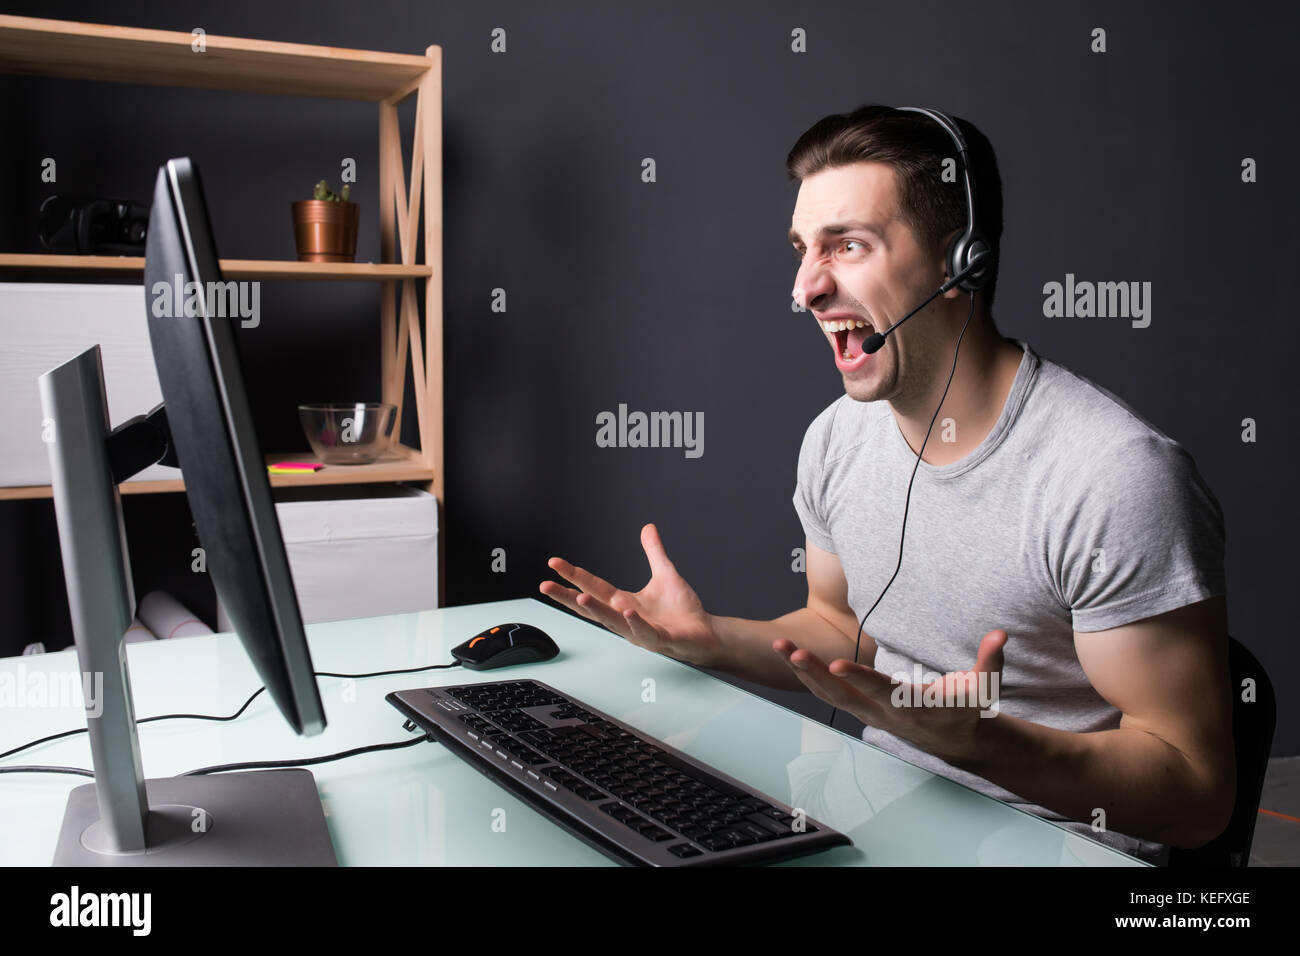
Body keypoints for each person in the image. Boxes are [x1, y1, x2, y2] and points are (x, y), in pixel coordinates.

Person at [538, 104, 1233, 865]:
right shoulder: (837, 438)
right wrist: (709, 642)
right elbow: (843, 634)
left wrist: (988, 747)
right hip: (871, 820)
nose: (806, 287)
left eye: (848, 245)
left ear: (959, 260)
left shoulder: (1114, 477)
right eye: (803, 250)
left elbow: (1195, 796)